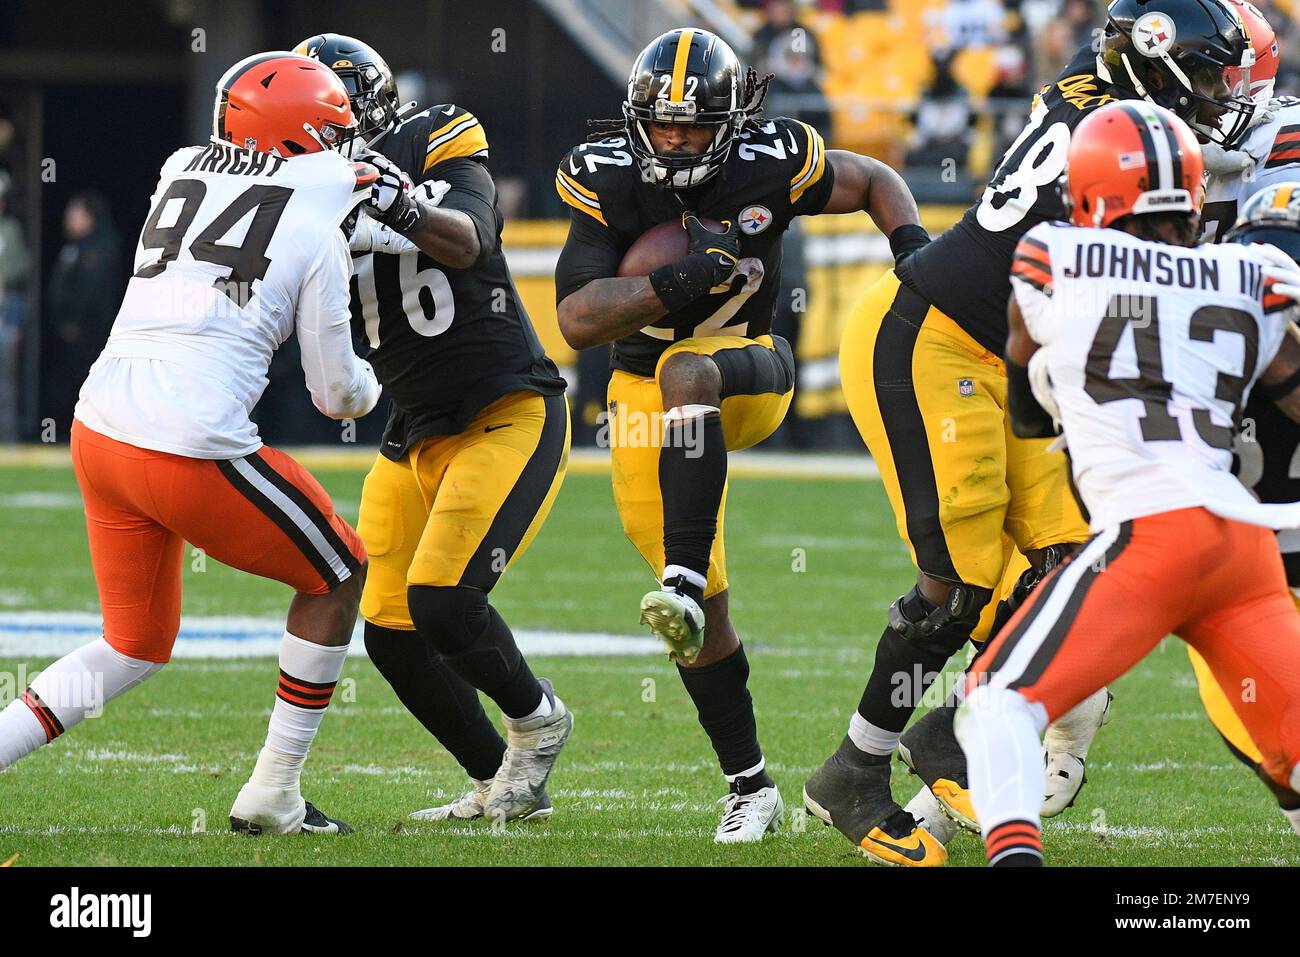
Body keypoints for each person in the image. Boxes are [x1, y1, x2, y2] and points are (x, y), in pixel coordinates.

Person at [805, 0, 1256, 866]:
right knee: (957, 579)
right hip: (933, 341)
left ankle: (952, 725)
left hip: (1000, 349)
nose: (1213, 95)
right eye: (1204, 74)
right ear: (1156, 64)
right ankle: (853, 772)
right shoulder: (1116, 142)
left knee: (1075, 559)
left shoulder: (1098, 97)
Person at [553, 27, 928, 843]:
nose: (676, 138)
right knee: (697, 621)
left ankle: (682, 574)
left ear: (730, 122)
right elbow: (577, 320)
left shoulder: (772, 157)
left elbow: (874, 178)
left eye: (693, 124)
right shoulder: (606, 177)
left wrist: (914, 254)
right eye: (662, 124)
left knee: (691, 372)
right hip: (638, 388)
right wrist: (678, 278)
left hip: (750, 364)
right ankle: (749, 783)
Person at [0, 51, 381, 835]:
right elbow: (335, 394)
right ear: (304, 140)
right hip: (186, 443)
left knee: (134, 641)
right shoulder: (315, 222)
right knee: (339, 571)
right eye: (332, 135)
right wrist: (379, 385)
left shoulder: (178, 171)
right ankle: (274, 791)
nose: (343, 150)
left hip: (100, 427)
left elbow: (260, 182)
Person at [958, 103, 1300, 865]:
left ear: (1090, 192)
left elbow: (1026, 412)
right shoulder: (1252, 272)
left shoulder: (1055, 255)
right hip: (1242, 546)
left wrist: (1048, 380)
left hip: (1150, 534)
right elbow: (1291, 387)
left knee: (993, 702)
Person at [298, 34, 573, 825]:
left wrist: (395, 198)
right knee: (389, 631)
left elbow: (470, 237)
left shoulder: (432, 134)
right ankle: (500, 780)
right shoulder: (302, 192)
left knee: (446, 601)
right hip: (413, 424)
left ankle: (538, 717)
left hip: (505, 407)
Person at [1194, 0, 1300, 830]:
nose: (1208, 96)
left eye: (1226, 79)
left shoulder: (1286, 137)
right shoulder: (1140, 134)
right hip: (1201, 401)